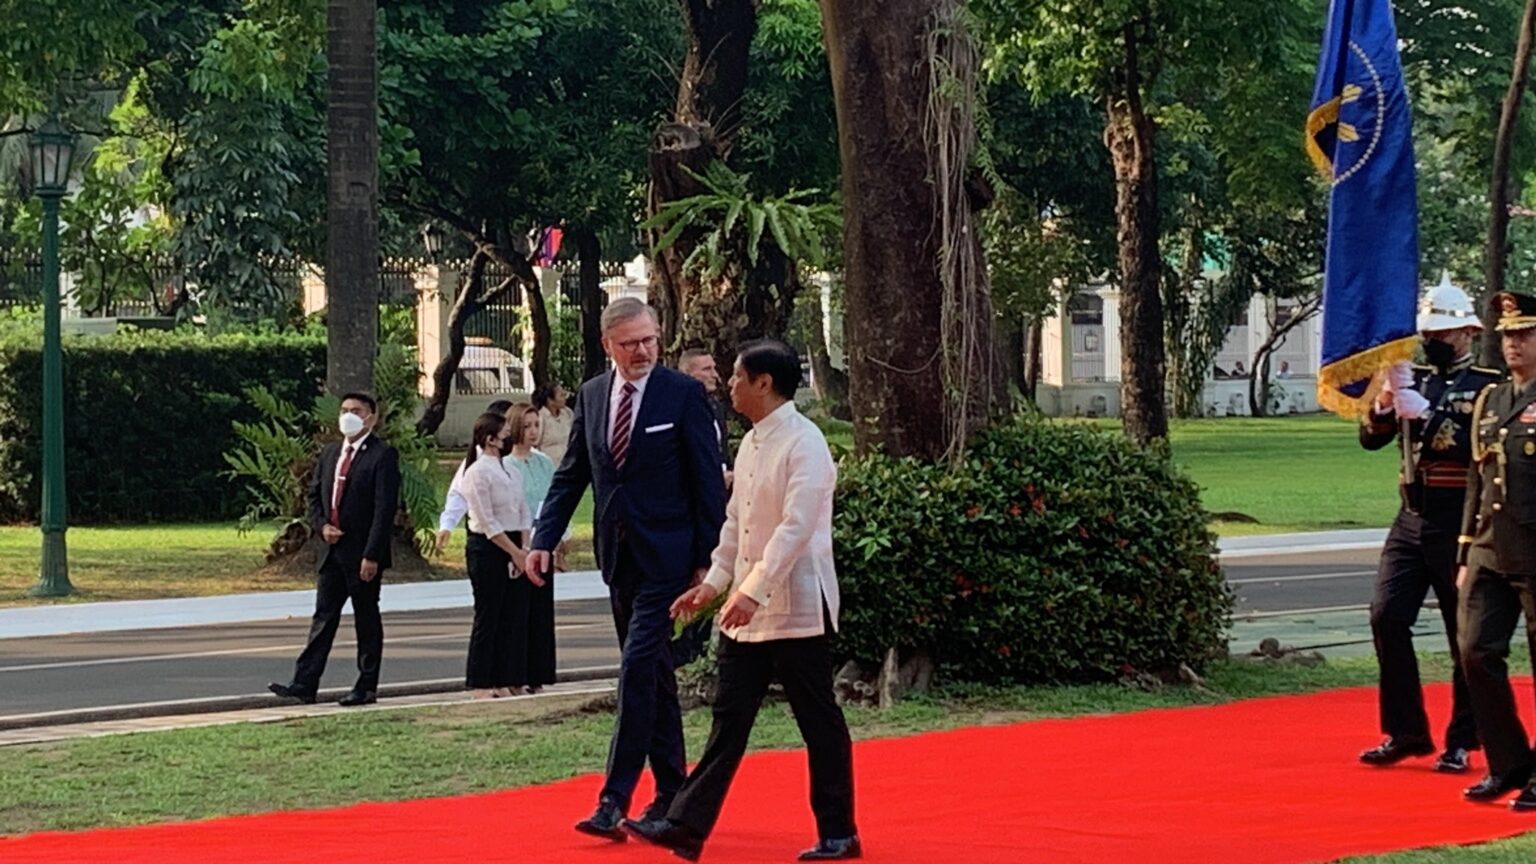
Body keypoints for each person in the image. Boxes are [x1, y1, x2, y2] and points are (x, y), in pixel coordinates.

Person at [624, 340, 859, 862]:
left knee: (817, 719)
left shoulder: (805, 443)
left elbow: (794, 529)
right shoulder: (753, 442)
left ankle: (839, 831)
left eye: (735, 376)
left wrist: (751, 592)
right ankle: (685, 826)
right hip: (745, 609)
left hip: (796, 604)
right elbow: (738, 524)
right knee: (728, 720)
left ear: (763, 384)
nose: (727, 384)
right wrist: (715, 583)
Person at [525, 297, 726, 841]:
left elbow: (708, 482)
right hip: (618, 557)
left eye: (650, 340)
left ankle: (613, 797)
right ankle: (671, 793)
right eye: (631, 342)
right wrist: (544, 538)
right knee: (654, 676)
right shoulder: (592, 395)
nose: (643, 351)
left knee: (637, 667)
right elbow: (572, 475)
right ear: (607, 344)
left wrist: (709, 561)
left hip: (672, 557)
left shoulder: (683, 395)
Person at [1357, 279, 1497, 773]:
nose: (1434, 341)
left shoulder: (1486, 386)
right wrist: (1382, 409)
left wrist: (1431, 416)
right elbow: (1371, 441)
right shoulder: (1408, 375)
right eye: (1429, 332)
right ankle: (1406, 731)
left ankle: (1463, 738)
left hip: (1459, 516)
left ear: (1466, 332)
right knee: (1386, 615)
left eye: (1444, 332)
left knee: (1462, 633)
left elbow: (1479, 449)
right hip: (1410, 516)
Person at [269, 392, 401, 707]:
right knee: (324, 617)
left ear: (371, 416)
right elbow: (314, 496)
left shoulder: (382, 455)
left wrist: (372, 554)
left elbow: (384, 510)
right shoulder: (330, 453)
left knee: (366, 619)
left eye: (356, 410)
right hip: (331, 551)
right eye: (344, 410)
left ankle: (366, 686)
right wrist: (321, 526)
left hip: (362, 554)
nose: (349, 416)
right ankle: (304, 683)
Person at [1457, 290, 1536, 809]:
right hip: (1489, 545)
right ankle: (1508, 763)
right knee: (1475, 649)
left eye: (1524, 334)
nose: (1513, 344)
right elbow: (1477, 478)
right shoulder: (1490, 400)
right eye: (1507, 336)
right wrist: (1464, 551)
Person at [460, 411, 544, 699]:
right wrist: (512, 552)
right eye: (505, 431)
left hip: (513, 545)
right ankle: (482, 681)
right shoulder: (477, 473)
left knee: (514, 616)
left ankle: (509, 677)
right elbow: (486, 521)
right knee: (489, 614)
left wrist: (523, 549)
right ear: (490, 439)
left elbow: (522, 510)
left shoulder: (510, 470)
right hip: (489, 548)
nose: (510, 435)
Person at [503, 402, 559, 694]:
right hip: (519, 540)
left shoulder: (543, 463)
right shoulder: (507, 464)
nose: (533, 432)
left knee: (541, 610)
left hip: (543, 539)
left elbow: (554, 500)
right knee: (517, 611)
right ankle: (515, 673)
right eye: (527, 426)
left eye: (537, 425)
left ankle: (538, 673)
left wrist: (559, 538)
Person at [435, 399, 520, 554]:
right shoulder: (478, 463)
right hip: (488, 541)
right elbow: (459, 493)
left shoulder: (530, 459)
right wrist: (447, 525)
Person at [533, 383, 575, 468]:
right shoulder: (541, 417)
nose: (565, 398)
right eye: (561, 395)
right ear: (550, 400)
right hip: (548, 466)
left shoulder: (567, 413)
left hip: (567, 465)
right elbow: (535, 444)